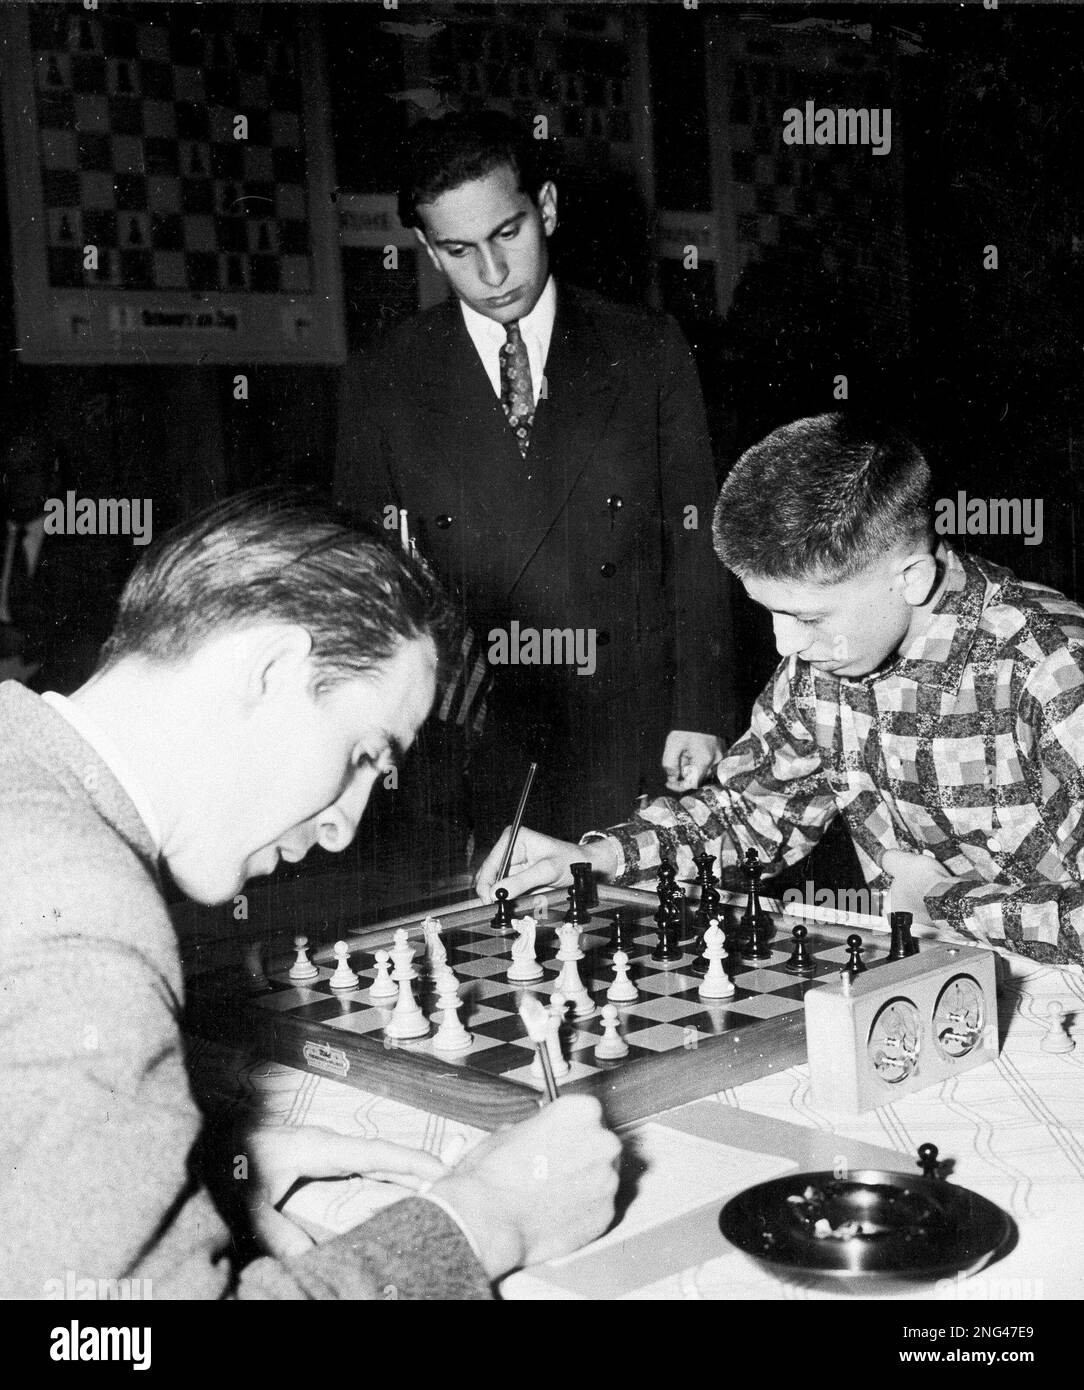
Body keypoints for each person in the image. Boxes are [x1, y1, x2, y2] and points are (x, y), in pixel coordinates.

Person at [0, 488, 620, 1300]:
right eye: (365, 753)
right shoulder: (84, 919)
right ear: (267, 669)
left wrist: (197, 1182)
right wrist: (480, 1222)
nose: (342, 830)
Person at [477, 413, 1084, 970]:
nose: (783, 645)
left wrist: (939, 901)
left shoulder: (1053, 667)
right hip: (927, 981)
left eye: (808, 617)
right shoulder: (821, 666)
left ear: (913, 578)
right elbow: (752, 814)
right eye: (769, 612)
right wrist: (597, 860)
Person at [334, 110, 734, 865]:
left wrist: (702, 709)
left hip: (636, 729)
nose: (492, 274)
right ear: (425, 247)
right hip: (476, 744)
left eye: (508, 234)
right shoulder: (383, 378)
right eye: (457, 250)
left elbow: (697, 543)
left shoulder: (647, 349)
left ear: (545, 209)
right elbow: (365, 587)